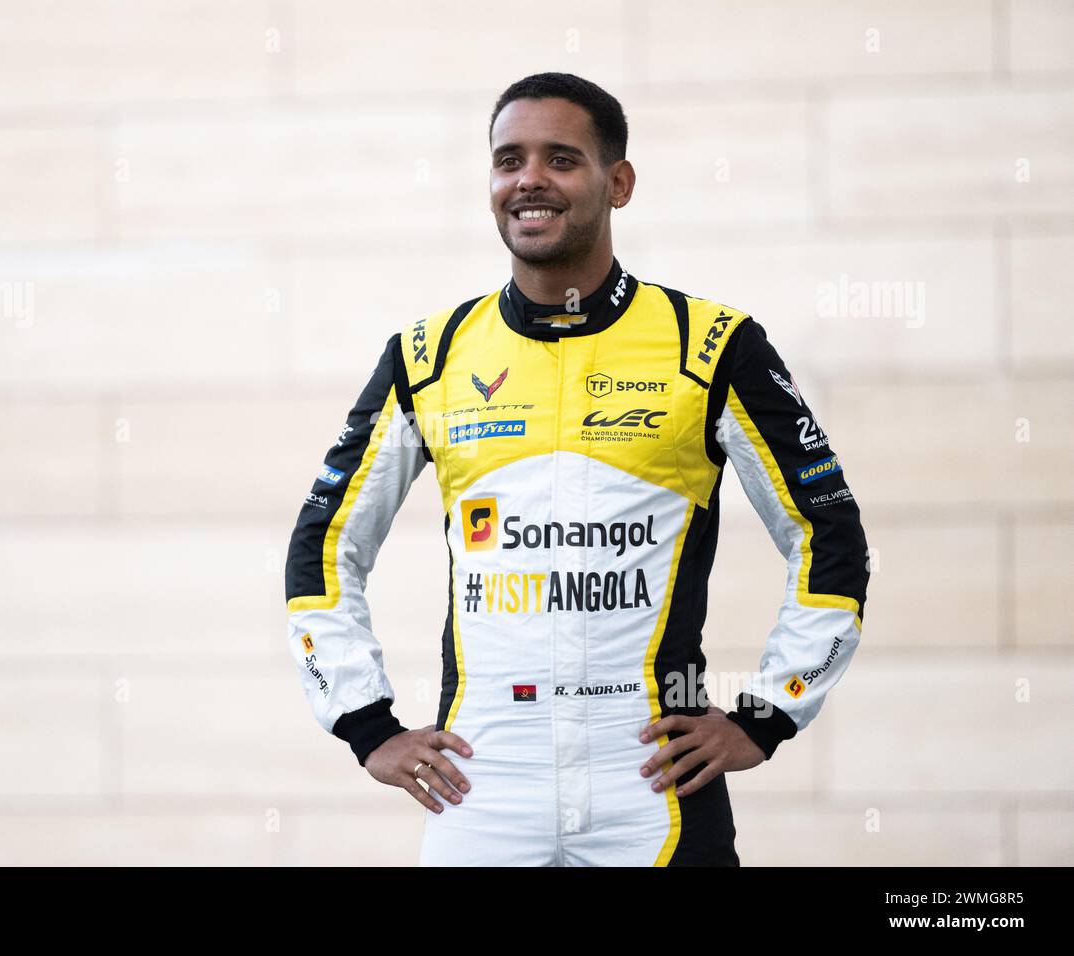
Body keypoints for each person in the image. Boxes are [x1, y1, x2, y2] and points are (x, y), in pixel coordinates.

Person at [283, 73, 869, 866]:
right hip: (481, 783)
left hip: (654, 780)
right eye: (508, 160)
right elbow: (323, 546)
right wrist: (365, 725)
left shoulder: (715, 343)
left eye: (561, 159)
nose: (529, 179)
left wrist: (768, 715)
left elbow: (828, 533)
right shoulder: (428, 355)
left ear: (617, 183)